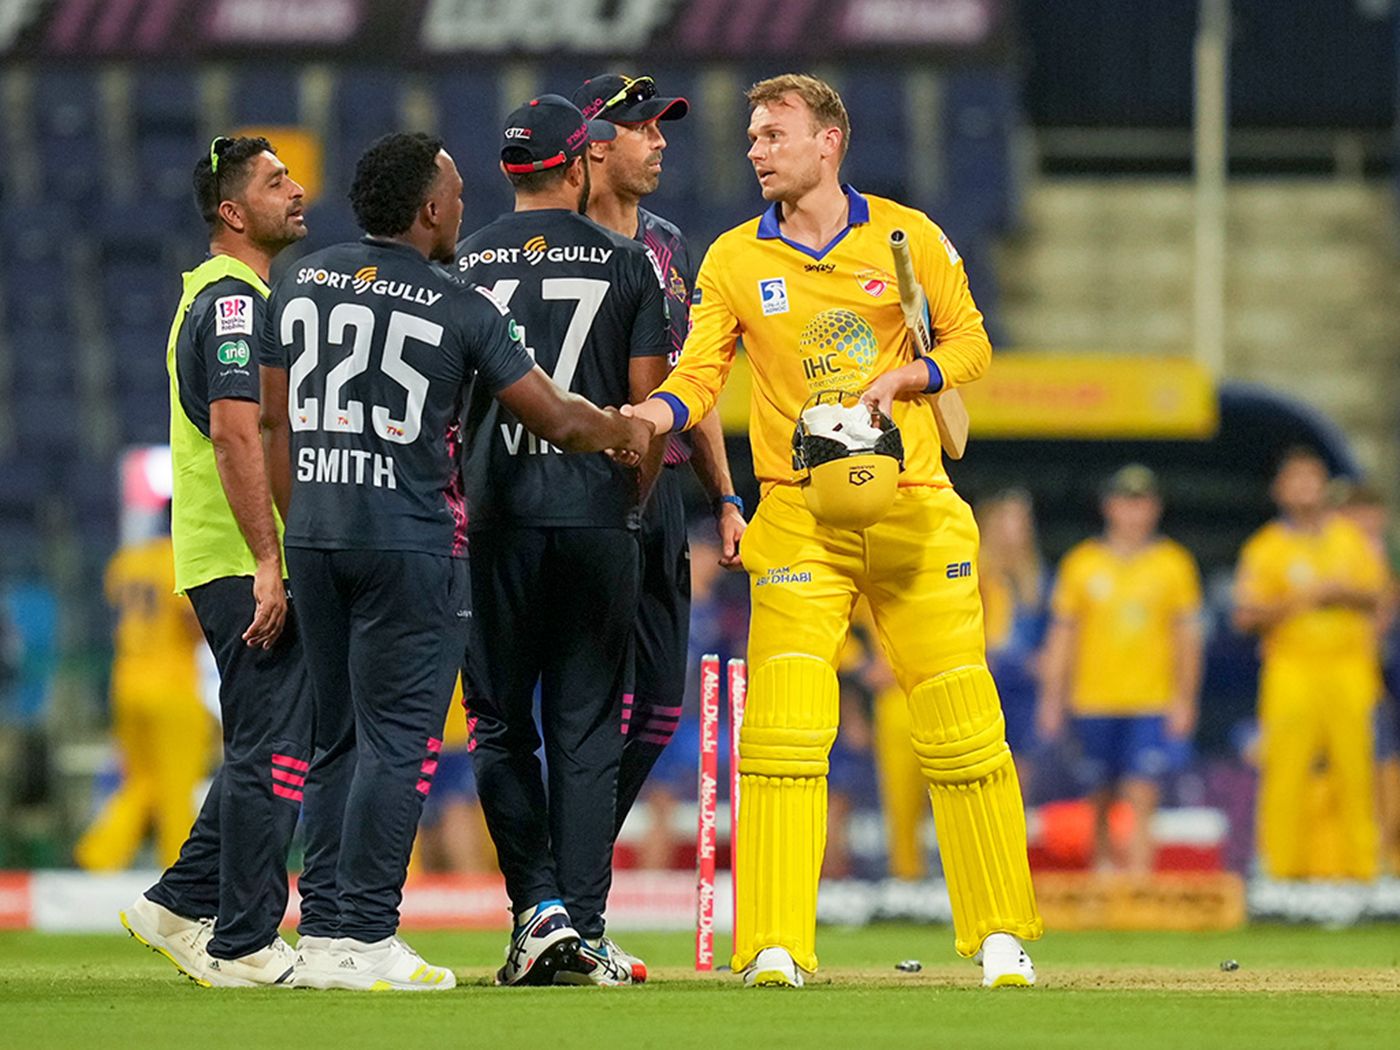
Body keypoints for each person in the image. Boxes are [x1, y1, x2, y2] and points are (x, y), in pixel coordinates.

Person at [625, 73, 1041, 988]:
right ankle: (774, 943)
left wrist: (914, 379)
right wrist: (652, 418)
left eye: (774, 133)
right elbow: (699, 376)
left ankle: (1002, 936)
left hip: (916, 504)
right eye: (752, 135)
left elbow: (971, 344)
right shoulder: (735, 259)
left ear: (829, 142)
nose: (755, 148)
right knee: (781, 732)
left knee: (962, 723)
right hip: (800, 518)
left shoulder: (908, 235)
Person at [259, 131, 651, 992]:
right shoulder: (457, 300)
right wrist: (631, 428)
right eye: (457, 193)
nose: (466, 206)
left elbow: (270, 422)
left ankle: (323, 931)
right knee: (400, 744)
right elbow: (556, 417)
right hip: (411, 539)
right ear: (430, 209)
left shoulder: (298, 279)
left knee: (337, 741)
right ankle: (364, 934)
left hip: (317, 534)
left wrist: (301, 523)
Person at [454, 95, 670, 987]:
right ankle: (581, 930)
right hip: (593, 522)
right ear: (581, 163)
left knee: (501, 728)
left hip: (492, 521)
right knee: (586, 732)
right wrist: (626, 503)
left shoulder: (459, 264)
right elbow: (649, 417)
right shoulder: (630, 264)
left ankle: (534, 915)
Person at [119, 135, 313, 989]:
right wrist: (270, 561)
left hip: (231, 552)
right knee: (272, 744)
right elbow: (238, 433)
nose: (297, 189)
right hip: (240, 556)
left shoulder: (230, 297)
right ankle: (242, 939)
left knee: (266, 739)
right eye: (276, 182)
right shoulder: (234, 304)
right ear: (233, 213)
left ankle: (178, 902)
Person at [571, 69, 747, 862]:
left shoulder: (673, 247)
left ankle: (570, 858)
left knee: (658, 709)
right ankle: (562, 891)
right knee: (577, 702)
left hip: (661, 489)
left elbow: (698, 381)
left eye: (662, 125)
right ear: (597, 146)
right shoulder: (555, 238)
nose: (661, 139)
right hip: (570, 489)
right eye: (644, 127)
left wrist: (725, 495)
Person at [1038, 466, 1204, 874]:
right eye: (1126, 503)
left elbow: (1187, 639)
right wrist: (1052, 699)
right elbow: (1063, 637)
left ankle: (1138, 880)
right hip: (1093, 699)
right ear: (1109, 507)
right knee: (1097, 796)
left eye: (1142, 503)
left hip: (1150, 699)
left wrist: (1185, 699)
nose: (1133, 513)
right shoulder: (1083, 563)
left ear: (1155, 509)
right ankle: (1104, 876)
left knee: (1142, 793)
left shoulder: (1173, 564)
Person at [1235, 448, 1385, 881]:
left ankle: (1364, 877)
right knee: (1285, 773)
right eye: (1295, 480)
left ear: (1324, 486)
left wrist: (1339, 593)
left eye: (1312, 479)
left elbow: (1378, 595)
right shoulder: (1266, 548)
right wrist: (1297, 602)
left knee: (1356, 773)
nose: (1304, 488)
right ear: (1280, 490)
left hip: (1348, 669)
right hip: (1292, 669)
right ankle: (1280, 878)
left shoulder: (1350, 538)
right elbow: (1245, 615)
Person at [75, 526, 214, 870]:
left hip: (126, 681)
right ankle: (178, 873)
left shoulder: (129, 561)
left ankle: (98, 857)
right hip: (171, 684)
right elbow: (188, 618)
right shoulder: (180, 557)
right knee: (177, 787)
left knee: (140, 782)